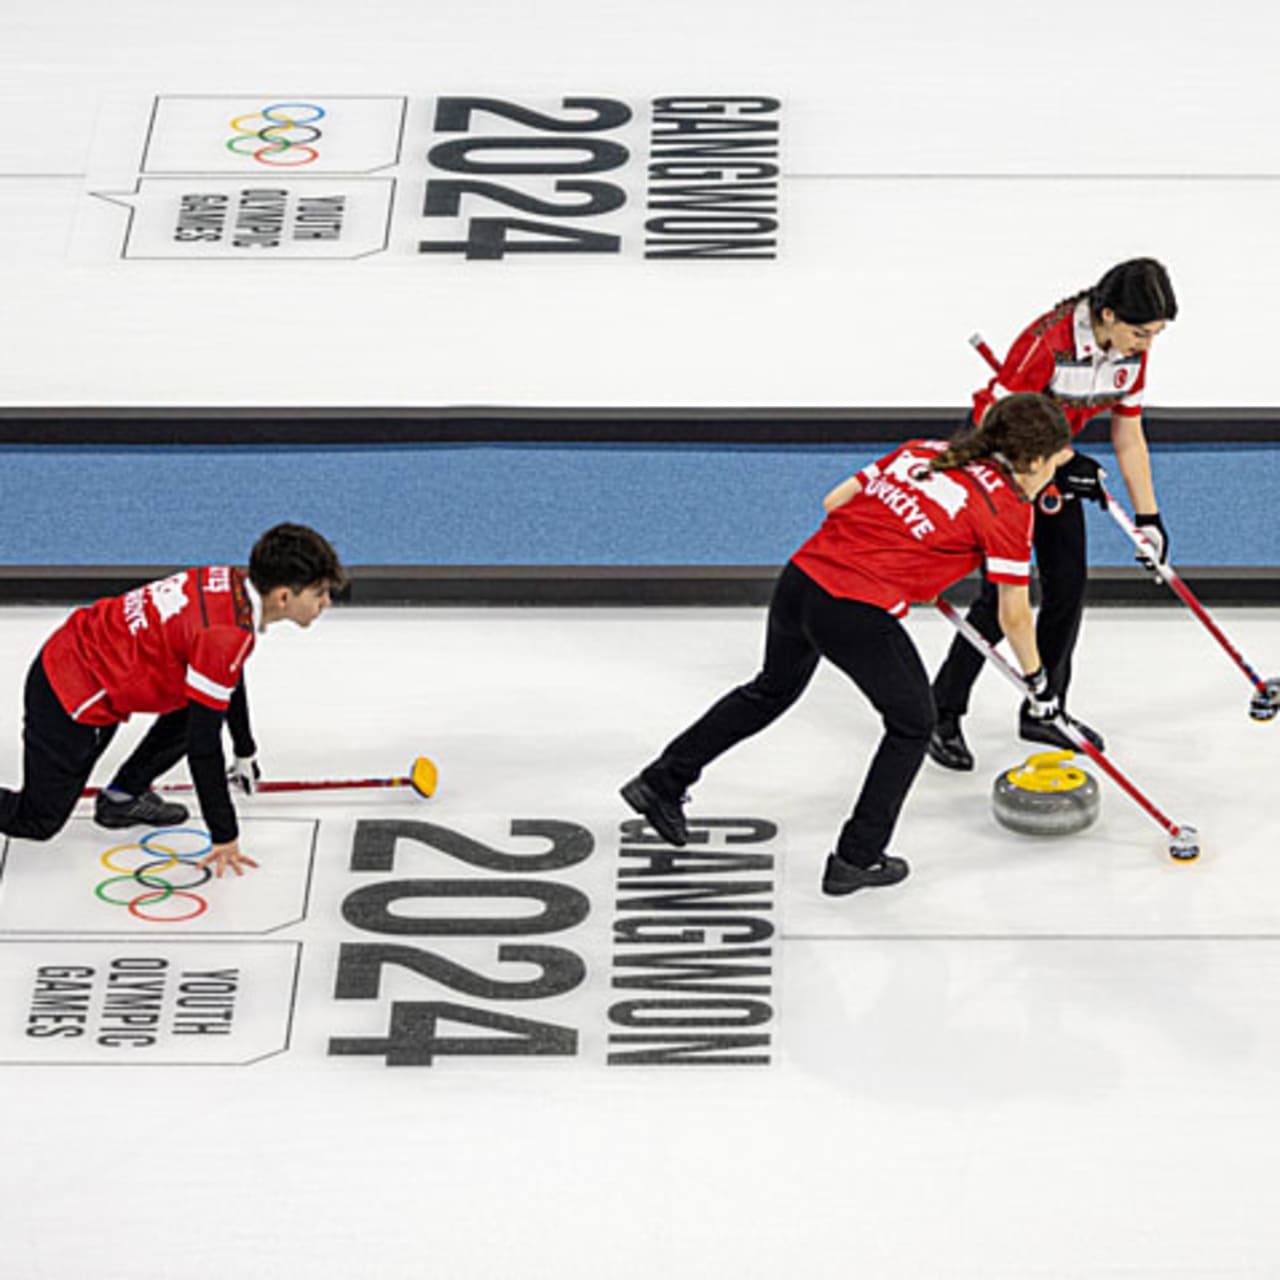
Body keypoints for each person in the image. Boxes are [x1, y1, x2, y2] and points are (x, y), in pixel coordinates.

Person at [621, 393, 1073, 896]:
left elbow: (835, 501)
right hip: (850, 607)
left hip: (800, 580)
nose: (1057, 472)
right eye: (1056, 461)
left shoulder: (924, 451)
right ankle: (858, 857)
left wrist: (916, 552)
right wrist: (1039, 683)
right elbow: (1013, 616)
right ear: (1032, 460)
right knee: (914, 724)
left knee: (771, 689)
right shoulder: (1008, 509)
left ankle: (662, 780)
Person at [928, 257, 1178, 771]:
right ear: (1106, 315)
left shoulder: (1131, 352)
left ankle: (1044, 709)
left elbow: (1128, 436)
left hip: (1054, 461)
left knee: (1068, 584)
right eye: (1140, 332)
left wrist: (1149, 518)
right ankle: (942, 711)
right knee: (1001, 597)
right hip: (1000, 458)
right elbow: (997, 426)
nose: (1147, 345)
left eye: (1156, 334)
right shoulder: (1046, 344)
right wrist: (1065, 462)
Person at [0, 523, 346, 878]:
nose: (326, 603)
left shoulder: (229, 583)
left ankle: (122, 798)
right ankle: (120, 795)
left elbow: (225, 676)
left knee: (198, 707)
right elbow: (203, 747)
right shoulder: (226, 634)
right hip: (69, 694)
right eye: (319, 593)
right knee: (37, 820)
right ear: (284, 597)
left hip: (84, 659)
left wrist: (244, 750)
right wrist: (224, 835)